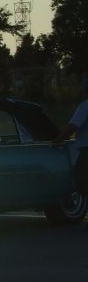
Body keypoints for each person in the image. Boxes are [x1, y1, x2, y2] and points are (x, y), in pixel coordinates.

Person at [53, 76, 88, 205]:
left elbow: (73, 126)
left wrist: (58, 138)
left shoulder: (85, 106)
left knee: (82, 181)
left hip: (86, 151)